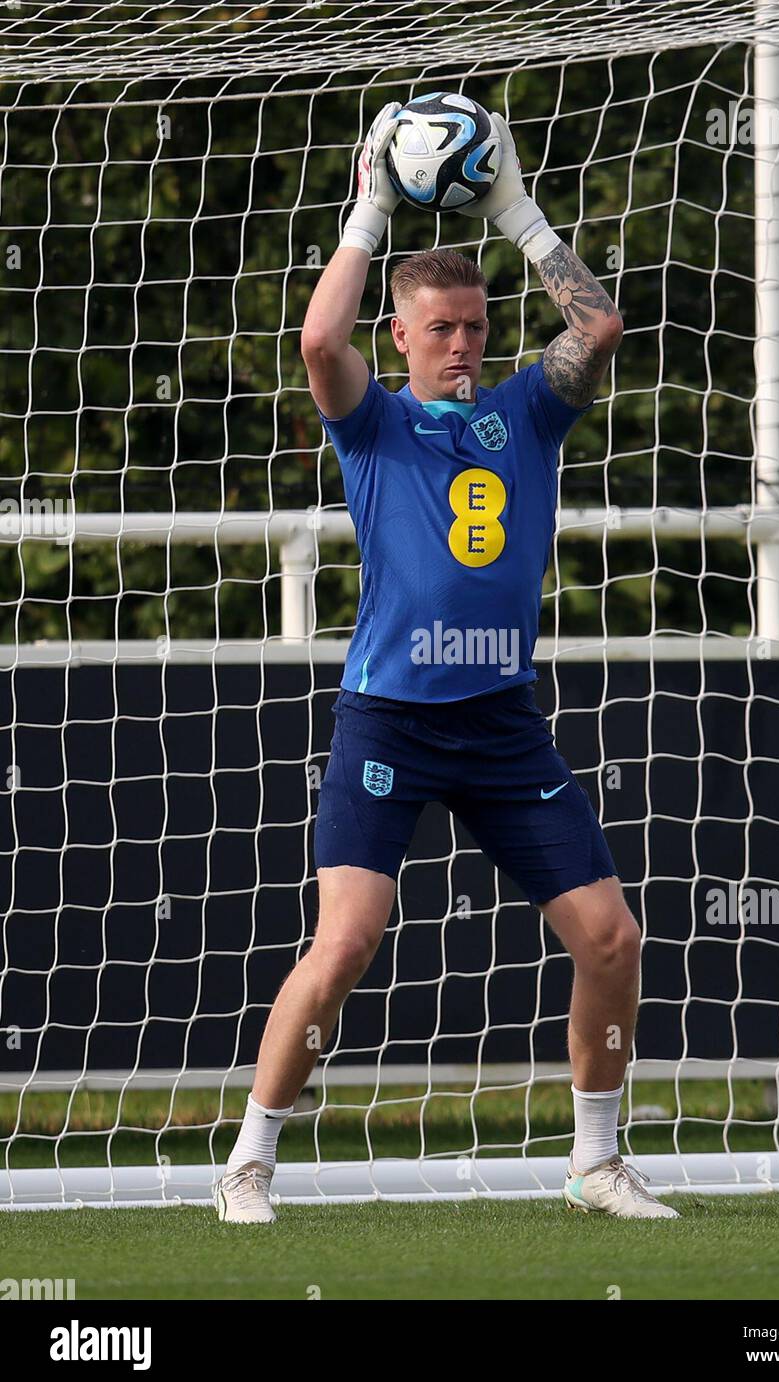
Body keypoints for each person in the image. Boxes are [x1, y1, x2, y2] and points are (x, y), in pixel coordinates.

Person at [215, 103, 678, 1223]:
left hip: (501, 723)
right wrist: (373, 207)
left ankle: (594, 1162)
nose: (464, 342)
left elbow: (600, 325)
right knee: (347, 942)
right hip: (391, 722)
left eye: (476, 325)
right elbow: (320, 342)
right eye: (441, 330)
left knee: (612, 937)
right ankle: (249, 1162)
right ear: (406, 340)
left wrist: (515, 209)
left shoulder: (524, 414)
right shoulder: (372, 423)